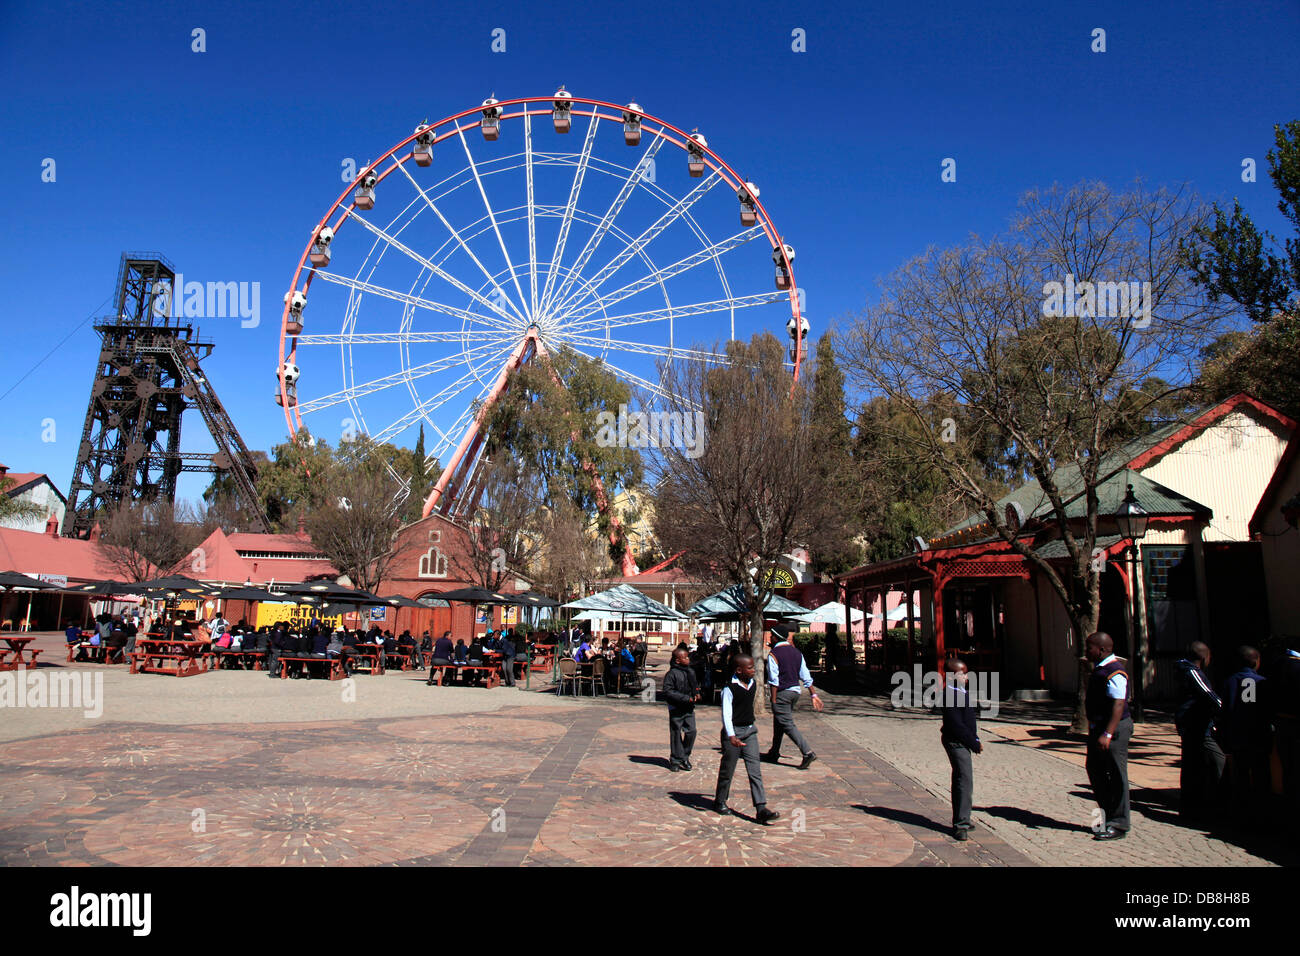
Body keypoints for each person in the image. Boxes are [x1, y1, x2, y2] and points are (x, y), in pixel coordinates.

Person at [713, 655, 779, 824]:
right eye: (750, 668)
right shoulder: (729, 688)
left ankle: (761, 808)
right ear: (739, 670)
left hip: (750, 732)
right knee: (728, 769)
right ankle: (720, 800)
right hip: (733, 733)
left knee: (755, 770)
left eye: (753, 667)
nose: (753, 670)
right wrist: (731, 736)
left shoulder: (753, 684)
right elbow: (726, 714)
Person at [1084, 632, 1132, 840]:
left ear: (1102, 649)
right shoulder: (1100, 669)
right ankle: (1108, 815)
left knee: (1116, 774)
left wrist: (1108, 733)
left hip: (1114, 729)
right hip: (1099, 728)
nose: (1086, 651)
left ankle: (1119, 824)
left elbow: (1118, 704)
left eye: (1089, 648)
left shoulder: (1115, 671)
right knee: (1095, 769)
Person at [1174, 641, 1224, 823]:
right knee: (1218, 760)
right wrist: (1224, 709)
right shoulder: (1192, 672)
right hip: (1197, 726)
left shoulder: (1183, 671)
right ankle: (1216, 804)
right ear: (1204, 657)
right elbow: (1208, 694)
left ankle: (1190, 808)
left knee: (1192, 766)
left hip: (1189, 724)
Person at [1219, 646, 1270, 823]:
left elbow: (1224, 711)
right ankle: (1261, 813)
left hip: (1238, 737)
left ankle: (1241, 812)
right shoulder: (1262, 682)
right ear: (1257, 662)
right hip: (1258, 736)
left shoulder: (1230, 682)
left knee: (1241, 775)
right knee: (1261, 775)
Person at [762, 624, 822, 769]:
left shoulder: (774, 654)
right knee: (780, 721)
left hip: (782, 693)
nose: (770, 638)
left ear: (776, 638)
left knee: (787, 724)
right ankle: (774, 751)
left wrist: (773, 699)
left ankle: (807, 752)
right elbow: (805, 675)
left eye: (772, 636)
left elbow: (774, 679)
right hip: (795, 692)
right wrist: (813, 694)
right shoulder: (797, 652)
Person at [940, 658, 982, 840]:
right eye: (962, 674)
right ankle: (961, 824)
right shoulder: (950, 695)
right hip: (956, 742)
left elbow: (968, 720)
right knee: (963, 780)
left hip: (964, 741)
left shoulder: (960, 692)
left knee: (964, 780)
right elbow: (956, 725)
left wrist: (975, 738)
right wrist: (973, 742)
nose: (966, 677)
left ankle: (964, 817)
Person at [664, 647, 700, 771]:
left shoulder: (690, 671)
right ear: (677, 660)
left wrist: (697, 693)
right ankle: (675, 759)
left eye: (687, 656)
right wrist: (685, 698)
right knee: (676, 732)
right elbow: (668, 691)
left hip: (689, 707)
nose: (688, 659)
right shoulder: (671, 674)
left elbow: (694, 685)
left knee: (691, 731)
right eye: (685, 657)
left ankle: (684, 756)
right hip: (676, 707)